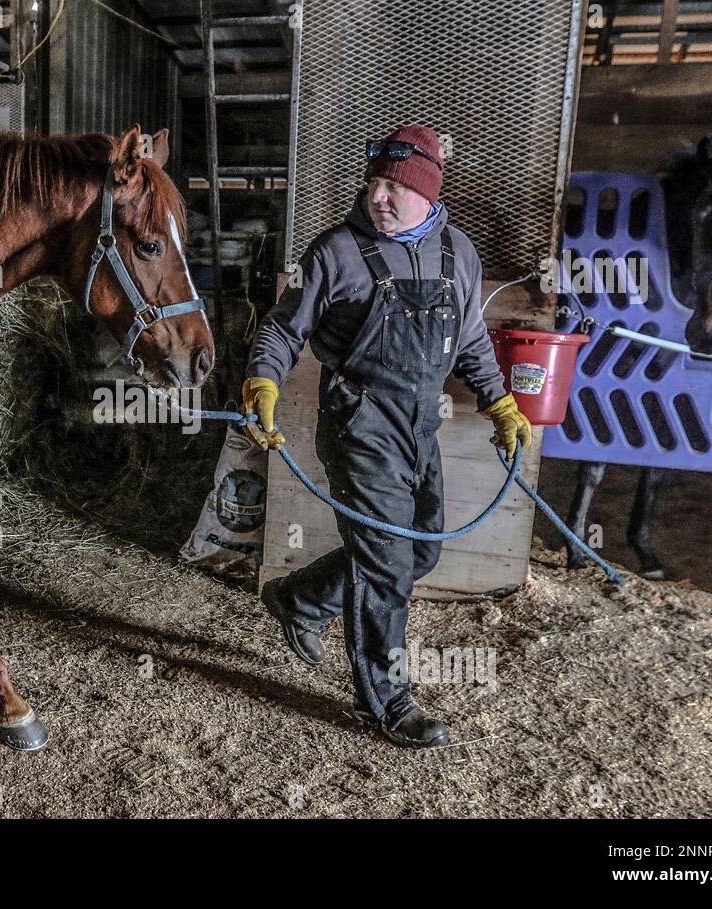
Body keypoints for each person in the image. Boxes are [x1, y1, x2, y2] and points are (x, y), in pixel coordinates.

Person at [243, 125, 532, 748]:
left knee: (420, 550)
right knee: (388, 566)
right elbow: (281, 331)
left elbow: (472, 340)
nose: (379, 196)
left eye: (395, 186)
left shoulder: (458, 252)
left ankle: (301, 598)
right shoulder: (335, 253)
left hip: (419, 424)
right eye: (374, 182)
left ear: (428, 192)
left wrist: (500, 402)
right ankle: (387, 700)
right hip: (360, 425)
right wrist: (263, 383)